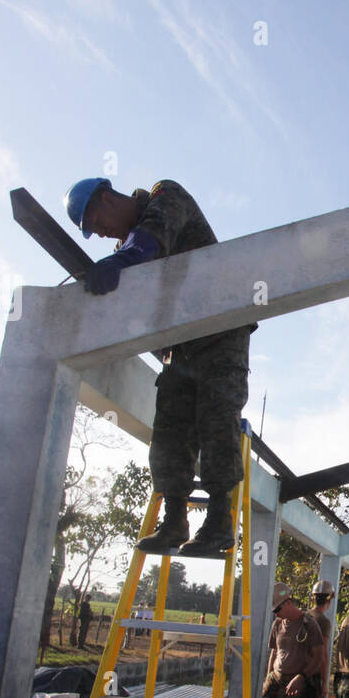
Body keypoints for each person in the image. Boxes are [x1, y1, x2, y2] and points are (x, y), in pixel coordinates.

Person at [64, 177, 253, 558]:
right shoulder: (123, 249)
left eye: (97, 222)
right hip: (178, 346)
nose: (101, 233)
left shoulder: (164, 196)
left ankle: (219, 522)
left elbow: (150, 239)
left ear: (107, 197)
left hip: (220, 331)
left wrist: (119, 263)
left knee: (217, 418)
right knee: (169, 430)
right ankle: (174, 522)